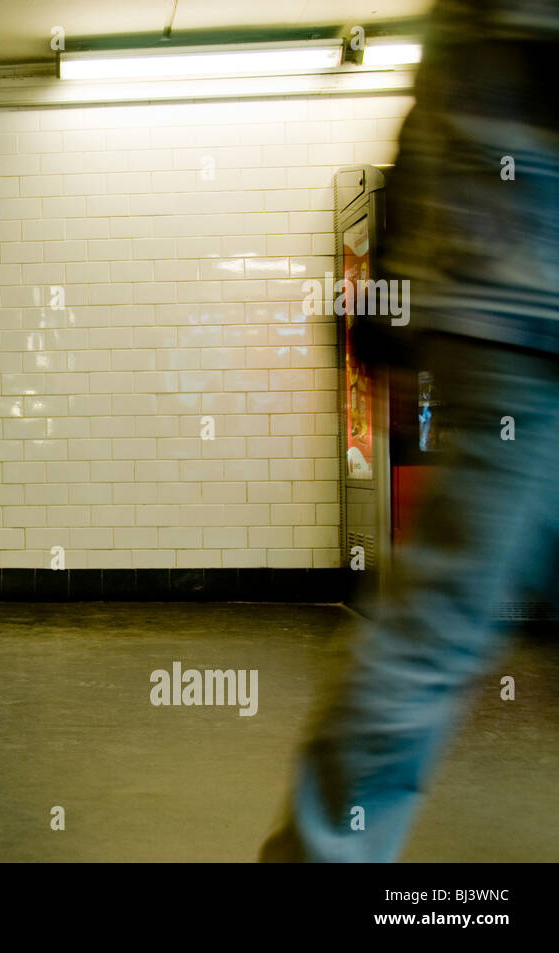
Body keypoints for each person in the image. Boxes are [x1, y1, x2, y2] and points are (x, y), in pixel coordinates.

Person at [261, 0, 559, 861]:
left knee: (432, 627)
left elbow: (422, 135)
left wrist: (382, 318)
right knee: (434, 630)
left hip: (490, 313)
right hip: (528, 319)